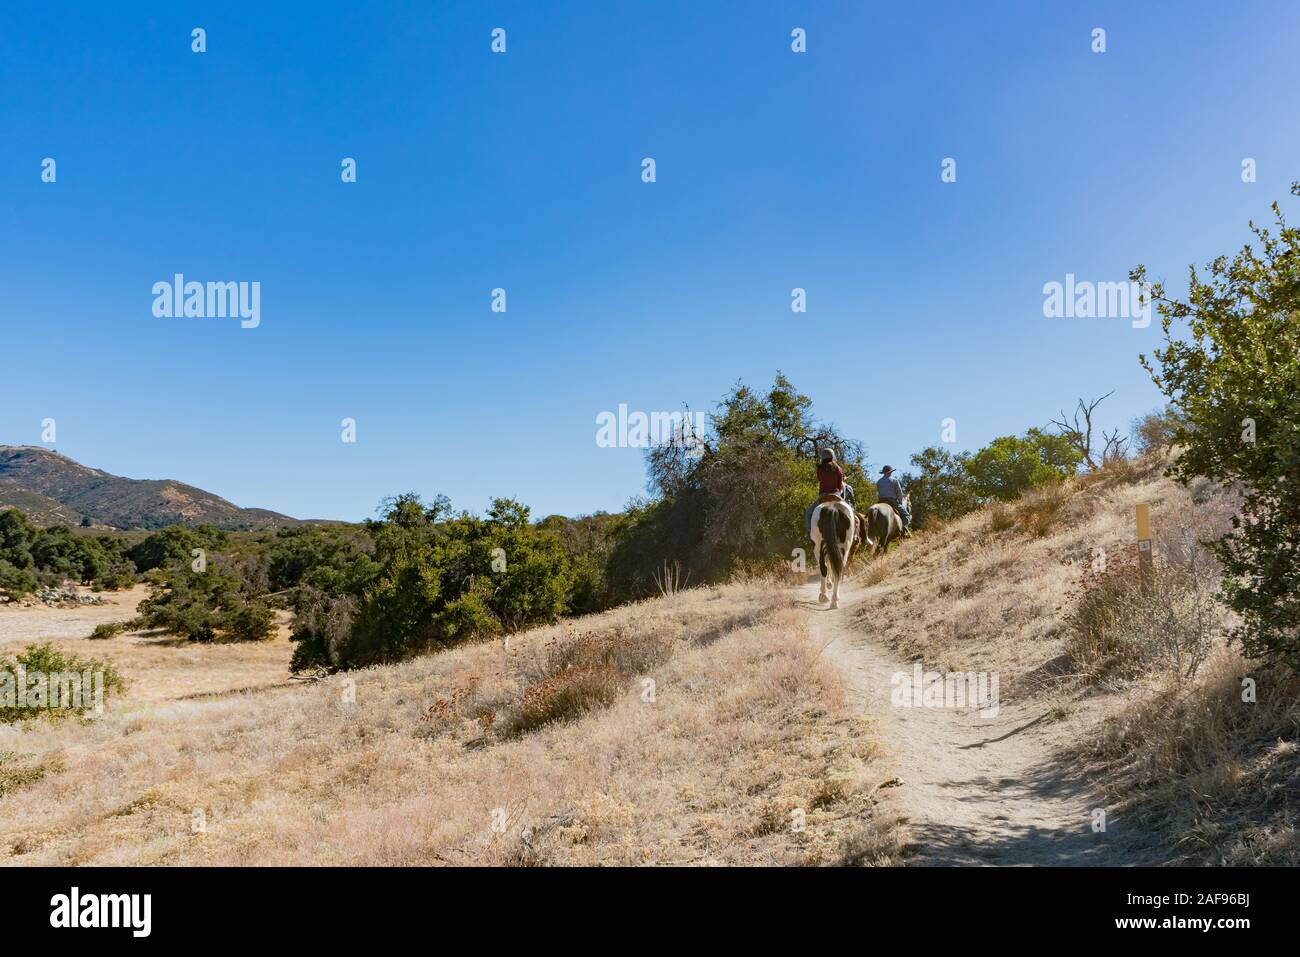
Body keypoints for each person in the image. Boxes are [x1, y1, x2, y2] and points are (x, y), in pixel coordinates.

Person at [806, 448, 855, 537]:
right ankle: (853, 534)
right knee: (851, 513)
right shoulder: (838, 468)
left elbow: (820, 479)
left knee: (808, 513)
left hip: (823, 496)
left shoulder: (820, 468)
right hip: (836, 495)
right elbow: (839, 485)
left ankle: (811, 533)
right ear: (833, 456)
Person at [876, 465, 911, 533]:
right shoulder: (894, 480)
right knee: (906, 515)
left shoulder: (879, 481)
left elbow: (879, 492)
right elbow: (899, 493)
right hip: (891, 501)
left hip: (881, 501)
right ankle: (904, 529)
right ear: (890, 472)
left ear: (883, 473)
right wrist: (900, 502)